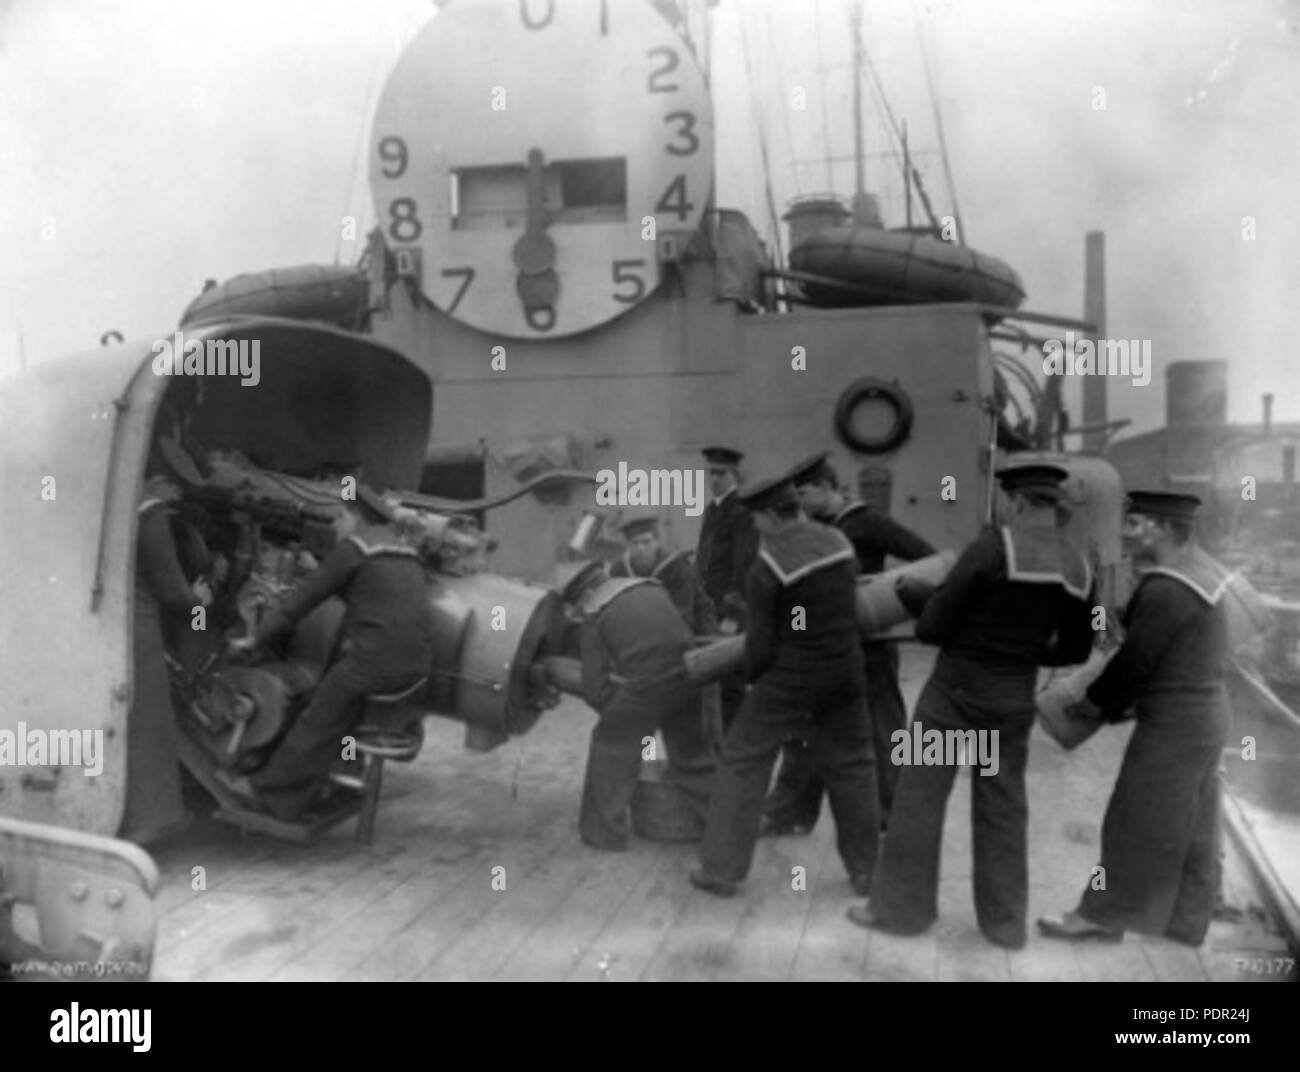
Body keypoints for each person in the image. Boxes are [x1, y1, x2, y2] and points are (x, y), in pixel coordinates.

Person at [847, 462, 1095, 949]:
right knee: (1003, 807)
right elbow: (1075, 650)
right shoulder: (1078, 564)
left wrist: (928, 603)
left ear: (1015, 502)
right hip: (1011, 700)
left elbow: (933, 628)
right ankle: (1004, 926)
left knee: (919, 801)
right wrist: (1025, 652)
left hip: (954, 698)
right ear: (1052, 503)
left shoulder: (991, 548)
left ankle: (901, 911)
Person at [1038, 491, 1231, 947]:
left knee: (1132, 822)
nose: (1125, 531)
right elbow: (1144, 627)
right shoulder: (1202, 571)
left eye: (1135, 523)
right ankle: (1187, 920)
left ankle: (1101, 916)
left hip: (1174, 724)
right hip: (1208, 715)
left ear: (1163, 530)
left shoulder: (1166, 588)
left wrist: (1093, 704)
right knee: (1197, 824)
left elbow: (1133, 663)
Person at [691, 471, 879, 898]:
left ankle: (721, 870)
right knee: (853, 765)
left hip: (792, 675)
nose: (755, 527)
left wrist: (756, 680)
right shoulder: (838, 544)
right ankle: (867, 871)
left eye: (758, 519)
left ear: (774, 517)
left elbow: (761, 643)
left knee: (742, 759)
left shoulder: (769, 563)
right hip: (846, 671)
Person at [218, 497, 434, 821]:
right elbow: (373, 594)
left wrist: (255, 637)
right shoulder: (404, 551)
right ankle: (305, 793)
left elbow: (300, 603)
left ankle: (264, 789)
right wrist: (320, 570)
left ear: (355, 516)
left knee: (316, 717)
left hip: (375, 664)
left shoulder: (355, 548)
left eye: (338, 517)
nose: (335, 525)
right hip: (416, 665)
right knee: (339, 710)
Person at [762, 452, 935, 833]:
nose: (798, 505)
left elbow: (930, 561)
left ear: (825, 488)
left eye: (803, 494)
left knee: (882, 730)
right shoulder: (814, 528)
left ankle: (889, 814)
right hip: (823, 649)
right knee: (806, 728)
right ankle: (788, 813)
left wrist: (886, 595)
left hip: (870, 647)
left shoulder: (868, 522)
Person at [560, 560, 716, 850]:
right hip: (690, 674)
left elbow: (594, 689)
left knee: (610, 744)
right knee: (692, 755)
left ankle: (605, 833)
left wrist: (619, 712)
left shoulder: (595, 615)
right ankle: (723, 828)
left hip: (646, 686)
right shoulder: (651, 588)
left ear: (584, 596)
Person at [124, 474, 212, 844]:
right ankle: (150, 818)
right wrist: (199, 601)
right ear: (159, 481)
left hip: (116, 620)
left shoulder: (123, 505)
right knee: (148, 720)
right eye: (175, 486)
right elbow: (172, 590)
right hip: (140, 629)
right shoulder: (152, 515)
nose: (177, 496)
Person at [695, 446, 759, 734]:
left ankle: (733, 743)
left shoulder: (742, 511)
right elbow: (705, 560)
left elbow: (744, 564)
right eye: (712, 473)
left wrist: (732, 614)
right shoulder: (713, 509)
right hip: (710, 607)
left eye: (721, 473)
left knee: (732, 679)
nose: (715, 479)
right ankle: (720, 742)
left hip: (729, 610)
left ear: (736, 475)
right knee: (716, 681)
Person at [610, 513, 717, 636]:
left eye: (646, 542)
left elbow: (683, 612)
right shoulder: (619, 571)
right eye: (634, 543)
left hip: (694, 623)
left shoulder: (677, 567)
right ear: (628, 545)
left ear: (656, 542)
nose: (640, 548)